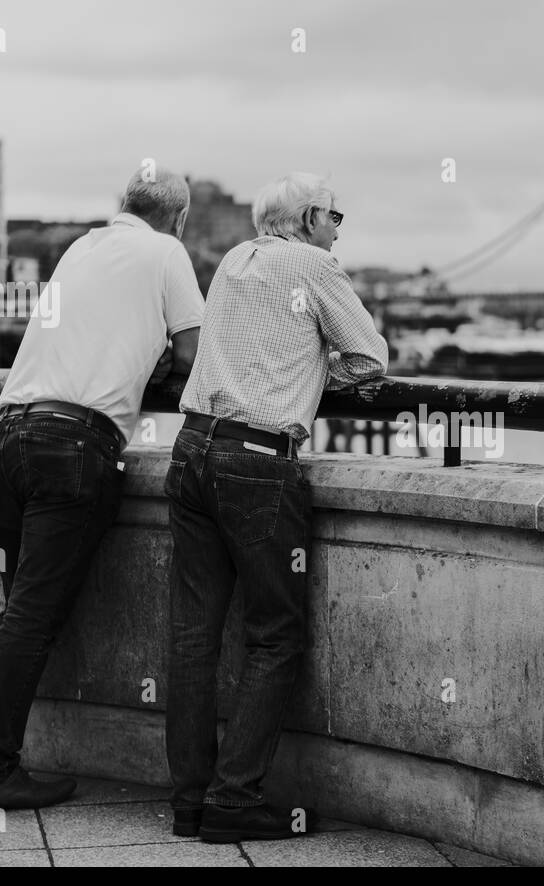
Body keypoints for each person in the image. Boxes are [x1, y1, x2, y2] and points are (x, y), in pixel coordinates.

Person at [0, 167, 204, 812]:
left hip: (7, 437)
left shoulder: (81, 247)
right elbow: (194, 355)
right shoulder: (167, 253)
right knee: (34, 614)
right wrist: (159, 357)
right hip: (73, 446)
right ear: (181, 219)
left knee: (21, 607)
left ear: (123, 207)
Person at [166, 172, 388, 842]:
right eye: (336, 216)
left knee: (193, 635)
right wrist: (318, 373)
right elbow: (370, 357)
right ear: (311, 216)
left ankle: (189, 800)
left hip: (191, 449)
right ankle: (234, 799)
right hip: (257, 463)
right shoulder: (315, 265)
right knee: (275, 634)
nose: (341, 230)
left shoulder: (234, 259)